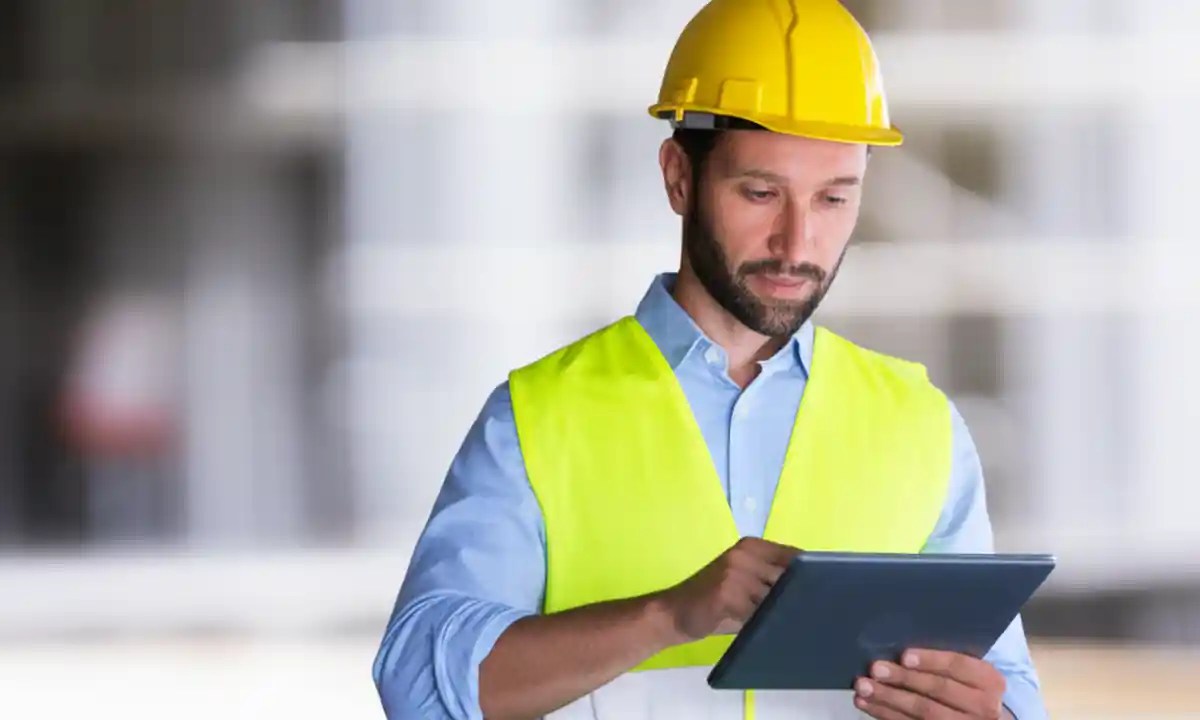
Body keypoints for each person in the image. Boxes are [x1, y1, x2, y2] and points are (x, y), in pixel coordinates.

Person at [373, 0, 1044, 718]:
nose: (797, 241)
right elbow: (416, 687)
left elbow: (1012, 696)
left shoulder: (923, 427)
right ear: (679, 177)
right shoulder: (538, 420)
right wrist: (670, 616)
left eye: (833, 199)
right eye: (761, 193)